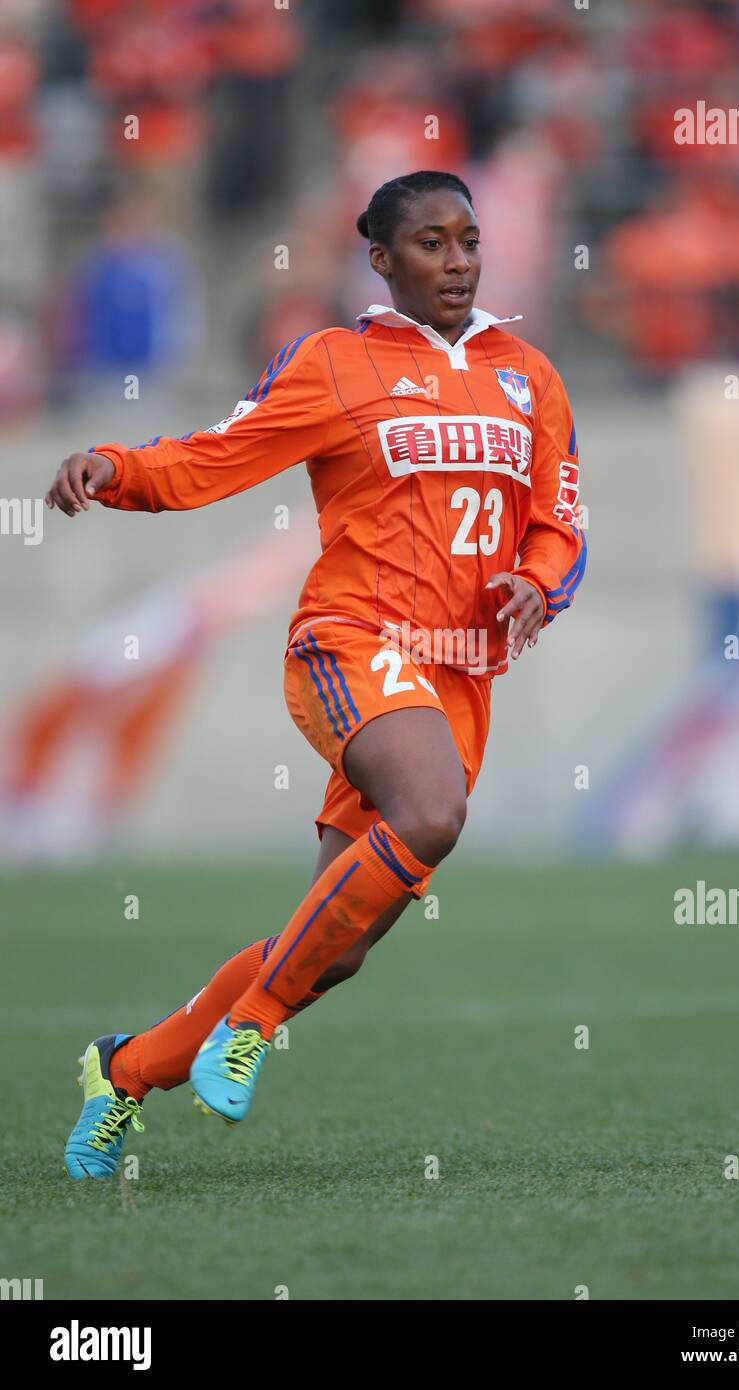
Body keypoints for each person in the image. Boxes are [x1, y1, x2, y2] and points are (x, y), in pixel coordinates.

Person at [47, 170, 586, 1179]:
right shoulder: (337, 362)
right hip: (349, 643)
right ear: (379, 261)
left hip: (455, 679)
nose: (456, 260)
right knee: (429, 814)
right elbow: (218, 457)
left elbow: (563, 519)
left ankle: (124, 1069)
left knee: (331, 947)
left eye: (466, 240)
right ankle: (244, 1028)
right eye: (428, 243)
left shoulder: (529, 375)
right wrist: (115, 466)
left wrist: (537, 583)